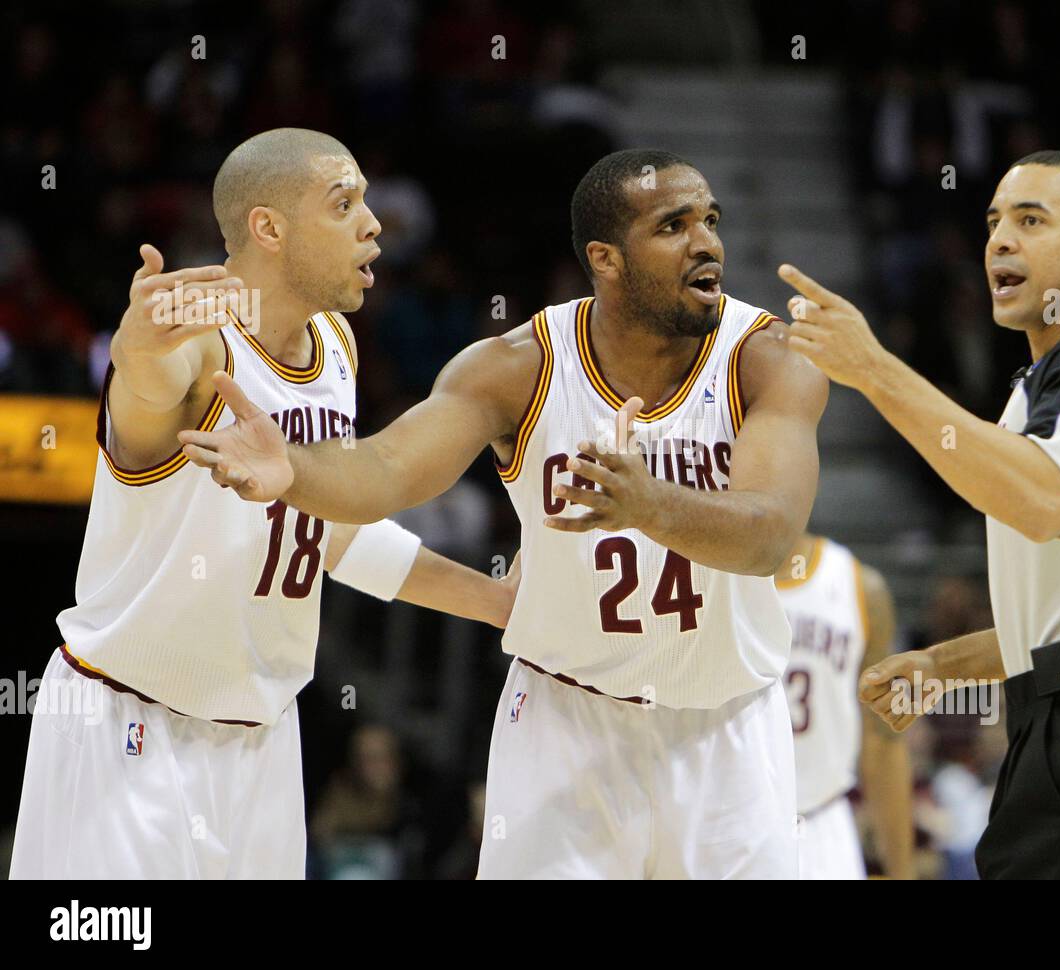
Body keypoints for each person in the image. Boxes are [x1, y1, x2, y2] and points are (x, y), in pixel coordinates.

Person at [180, 148, 829, 879]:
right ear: (605, 259)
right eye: (673, 226)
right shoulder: (517, 367)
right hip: (565, 723)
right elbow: (387, 470)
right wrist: (293, 470)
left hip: (730, 731)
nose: (706, 241)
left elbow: (770, 537)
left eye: (710, 220)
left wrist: (648, 502)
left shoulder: (768, 357)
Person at [11, 128, 519, 880]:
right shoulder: (201, 345)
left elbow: (330, 537)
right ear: (269, 227)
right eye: (343, 204)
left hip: (263, 745)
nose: (374, 225)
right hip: (130, 727)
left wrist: (498, 604)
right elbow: (148, 394)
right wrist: (139, 351)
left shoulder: (336, 346)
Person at [779, 150, 1060, 879]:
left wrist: (872, 369)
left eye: (1031, 220)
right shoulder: (1046, 385)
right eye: (993, 221)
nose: (999, 239)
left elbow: (1045, 501)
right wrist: (943, 664)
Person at [776, 533, 914, 879]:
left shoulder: (859, 585)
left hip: (821, 824)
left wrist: (902, 871)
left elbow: (882, 740)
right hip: (729, 819)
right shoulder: (708, 574)